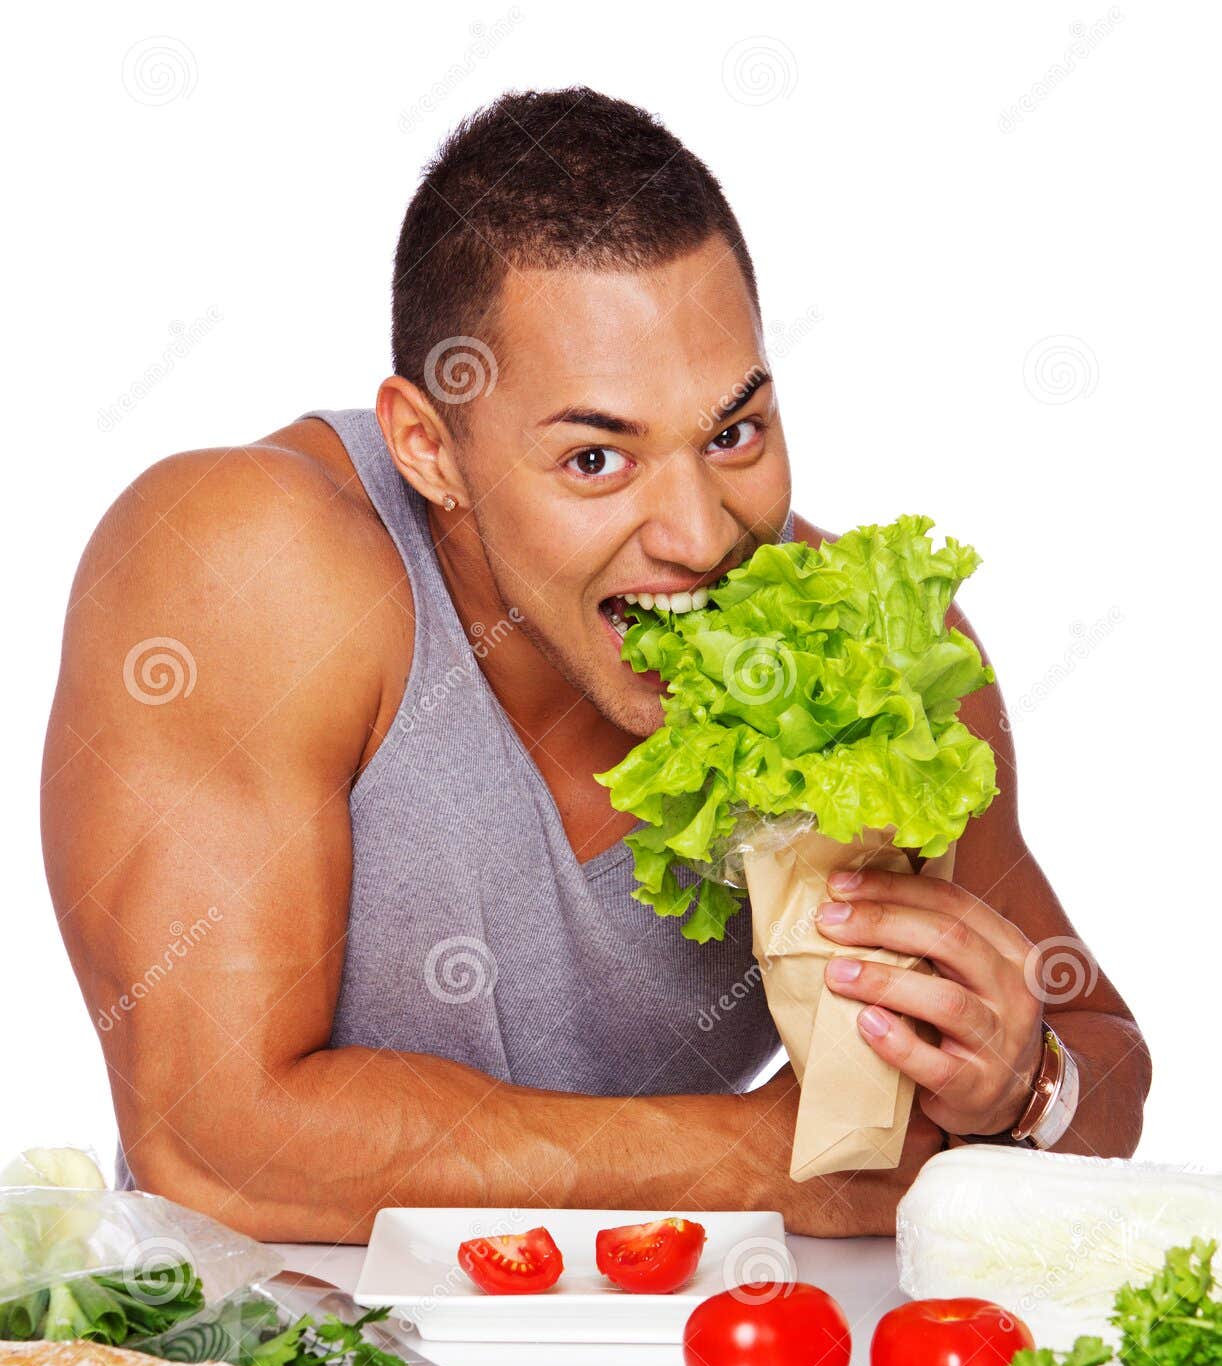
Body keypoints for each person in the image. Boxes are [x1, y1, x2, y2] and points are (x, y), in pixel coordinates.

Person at [42, 88, 1149, 1242]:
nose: (701, 535)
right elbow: (213, 1144)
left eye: (731, 434)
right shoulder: (251, 559)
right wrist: (756, 1162)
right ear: (431, 446)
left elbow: (1107, 1065)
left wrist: (1025, 1086)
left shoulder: (862, 654)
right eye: (594, 458)